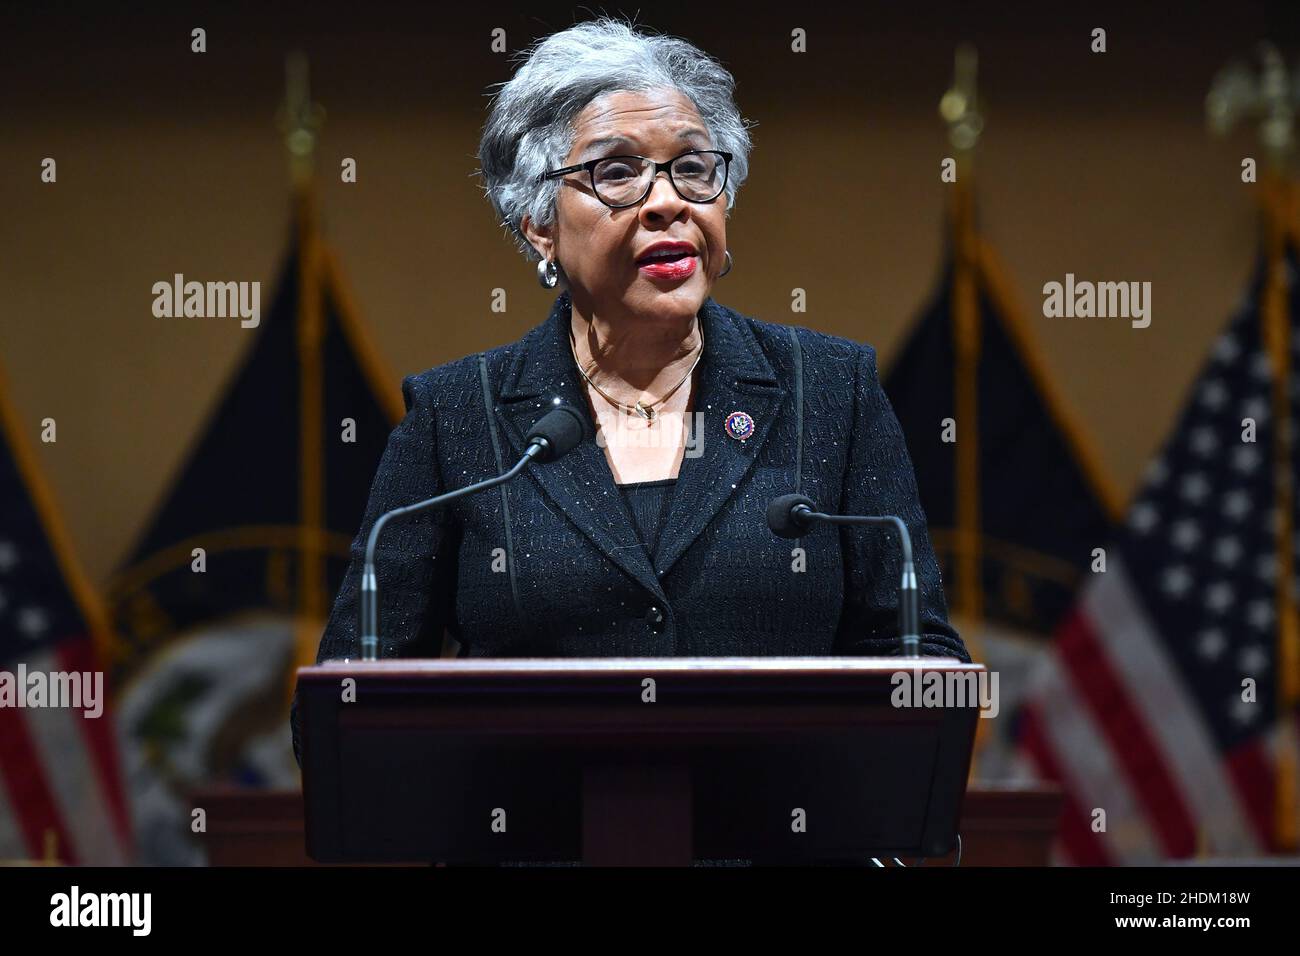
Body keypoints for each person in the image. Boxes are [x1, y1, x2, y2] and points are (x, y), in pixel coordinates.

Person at [291, 17, 968, 766]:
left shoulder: (830, 393)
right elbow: (353, 695)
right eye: (617, 172)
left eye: (693, 168)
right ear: (540, 226)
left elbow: (916, 655)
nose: (667, 201)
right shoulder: (458, 417)